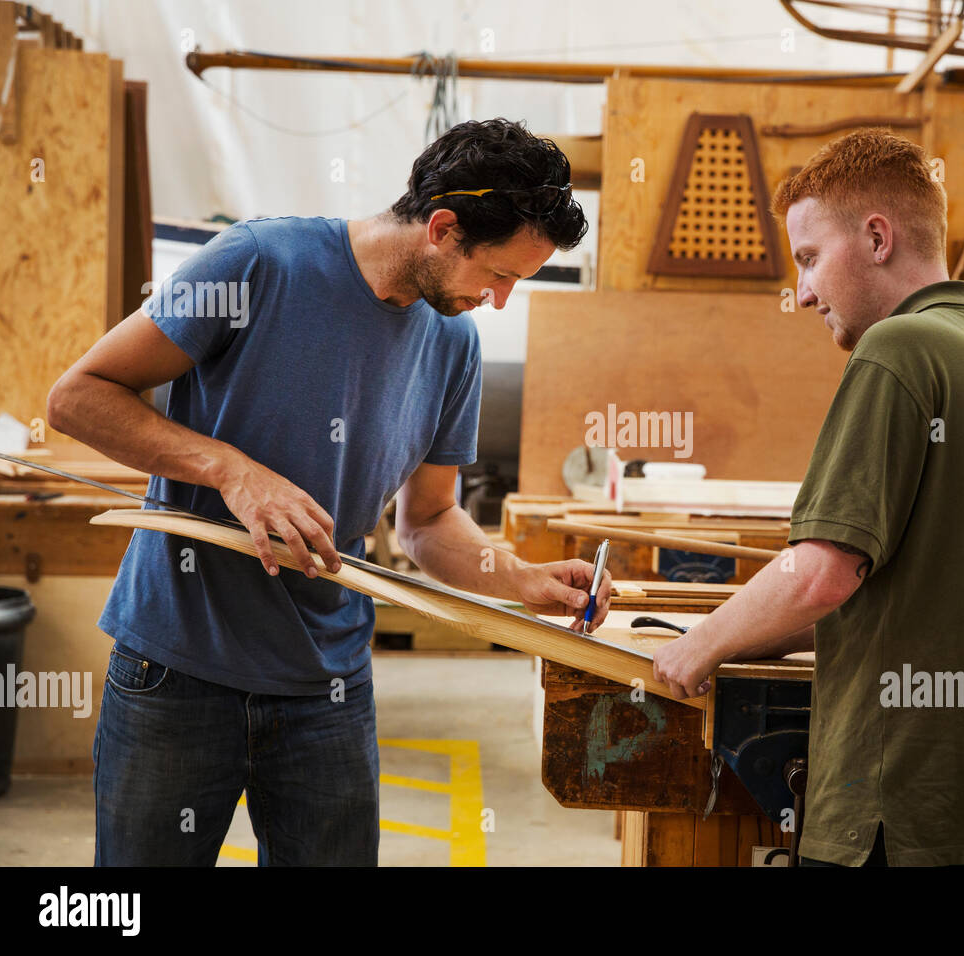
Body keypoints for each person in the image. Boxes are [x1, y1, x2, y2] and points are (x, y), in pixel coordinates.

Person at [48, 117, 612, 866]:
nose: (501, 299)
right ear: (443, 228)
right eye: (501, 275)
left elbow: (431, 519)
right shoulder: (258, 263)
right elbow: (77, 396)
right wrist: (231, 470)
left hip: (327, 688)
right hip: (177, 670)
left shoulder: (453, 345)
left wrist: (518, 578)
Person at [652, 129, 964, 867]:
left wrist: (699, 645)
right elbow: (906, 598)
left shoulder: (899, 350)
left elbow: (822, 572)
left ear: (877, 237)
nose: (804, 291)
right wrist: (749, 627)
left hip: (898, 810)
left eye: (810, 258)